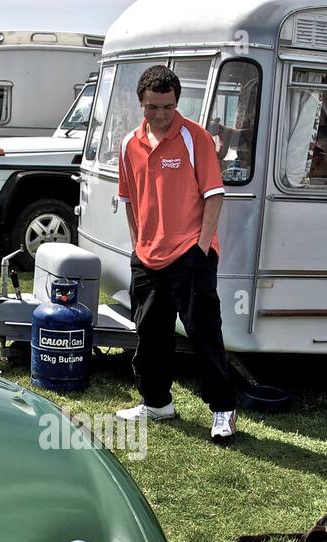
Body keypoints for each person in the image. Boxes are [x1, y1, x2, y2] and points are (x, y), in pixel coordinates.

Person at [114, 65, 238, 443]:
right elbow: (129, 200)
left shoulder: (195, 137)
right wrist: (138, 244)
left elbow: (214, 196)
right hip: (148, 258)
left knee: (204, 333)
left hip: (190, 253)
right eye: (153, 107)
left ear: (176, 103)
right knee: (150, 333)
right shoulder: (128, 144)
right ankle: (156, 403)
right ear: (142, 104)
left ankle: (223, 409)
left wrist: (201, 249)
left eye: (168, 106)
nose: (161, 114)